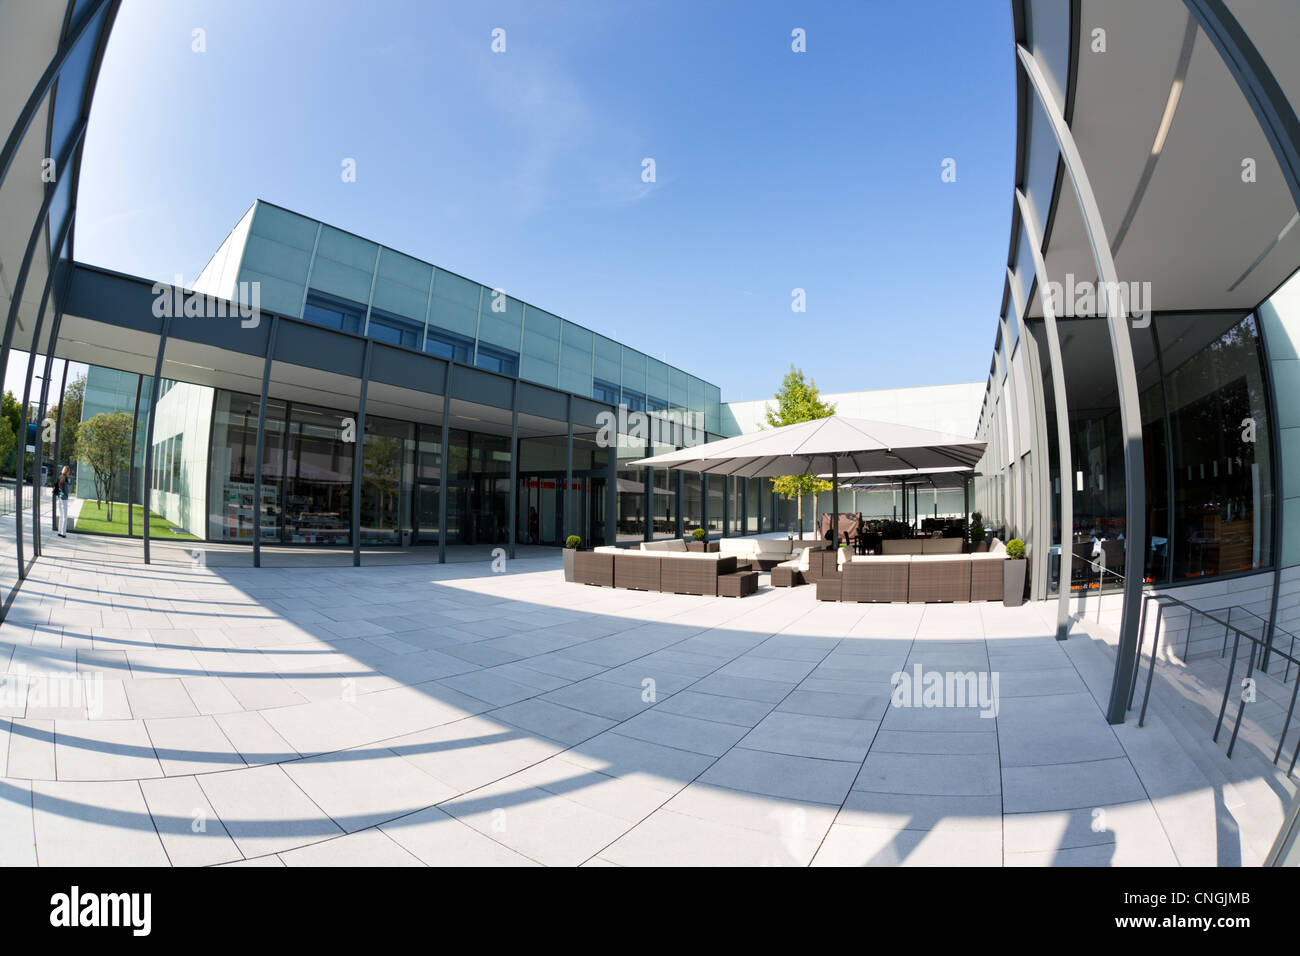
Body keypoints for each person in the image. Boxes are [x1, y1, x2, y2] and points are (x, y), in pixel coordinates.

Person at [54, 465, 70, 537]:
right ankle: (63, 533)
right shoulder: (65, 478)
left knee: (61, 515)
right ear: (67, 471)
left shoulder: (60, 477)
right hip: (64, 499)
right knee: (65, 516)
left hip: (59, 498)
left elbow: (57, 487)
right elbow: (66, 489)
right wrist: (67, 496)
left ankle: (59, 532)